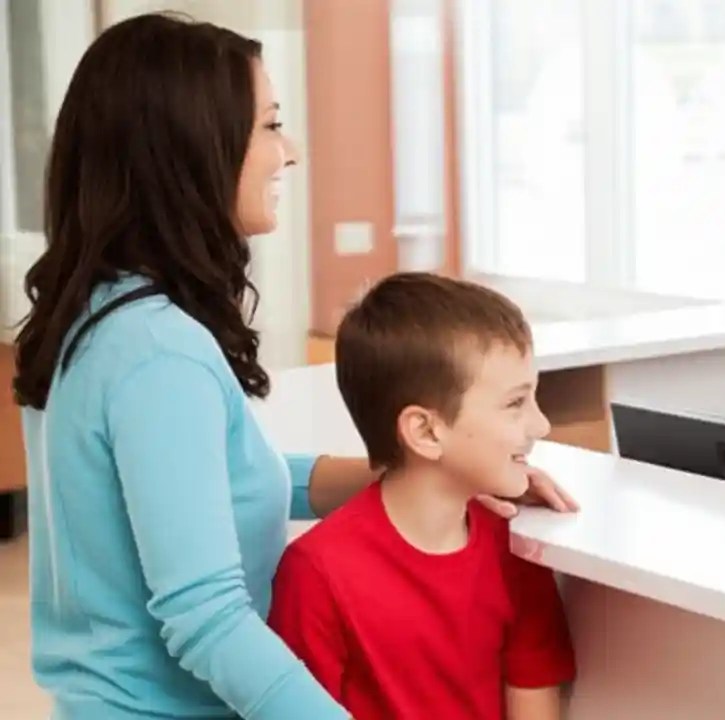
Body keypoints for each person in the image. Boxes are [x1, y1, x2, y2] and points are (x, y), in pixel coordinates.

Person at [13, 13, 575, 719]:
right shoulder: (158, 355)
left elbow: (212, 489)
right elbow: (205, 617)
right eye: (271, 126)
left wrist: (430, 470)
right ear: (196, 150)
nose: (292, 151)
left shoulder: (100, 319)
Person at [268, 273, 576, 719]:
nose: (541, 425)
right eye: (515, 404)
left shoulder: (515, 553)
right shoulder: (314, 575)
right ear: (426, 431)